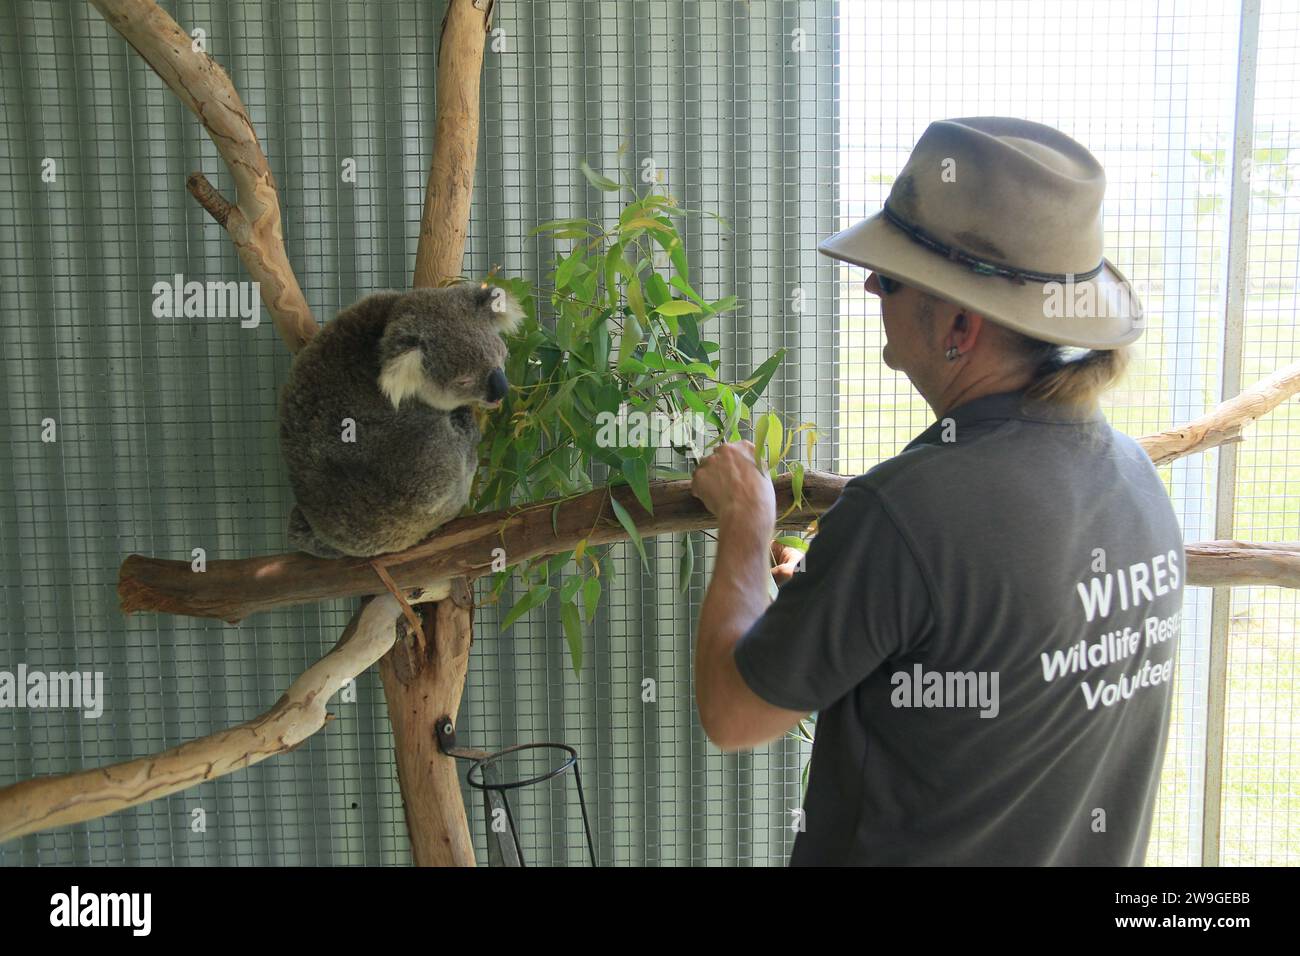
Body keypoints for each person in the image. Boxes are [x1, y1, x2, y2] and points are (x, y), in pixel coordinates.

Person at [689, 117, 1186, 866]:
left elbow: (733, 713)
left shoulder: (905, 514)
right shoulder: (1137, 484)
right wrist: (844, 604)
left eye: (889, 275)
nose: (868, 285)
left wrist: (746, 523)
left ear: (959, 325)